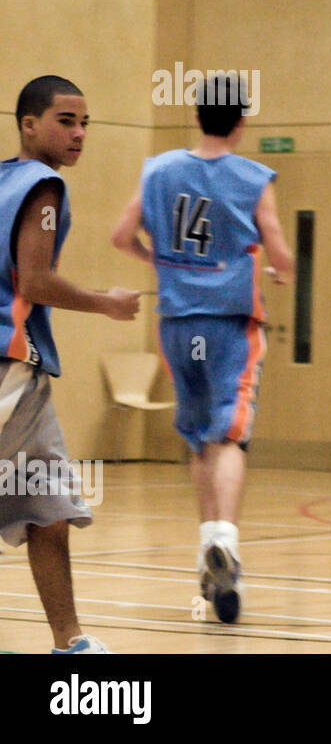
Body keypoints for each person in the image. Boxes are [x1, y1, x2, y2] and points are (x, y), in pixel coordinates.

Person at [111, 74, 293, 624]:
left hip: (176, 322)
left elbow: (121, 236)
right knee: (231, 434)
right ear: (241, 121)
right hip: (232, 325)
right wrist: (278, 270)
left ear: (196, 115)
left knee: (198, 439)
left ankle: (207, 552)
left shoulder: (159, 170)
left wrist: (160, 263)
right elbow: (281, 252)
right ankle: (226, 542)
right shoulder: (254, 177)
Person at [0, 75, 140, 653]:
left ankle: (71, 643)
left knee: (48, 508)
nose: (79, 134)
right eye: (66, 121)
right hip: (11, 364)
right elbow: (34, 280)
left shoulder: (5, 178)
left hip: (22, 369)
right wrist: (105, 303)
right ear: (29, 124)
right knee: (45, 502)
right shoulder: (44, 186)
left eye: (85, 123)